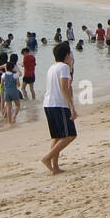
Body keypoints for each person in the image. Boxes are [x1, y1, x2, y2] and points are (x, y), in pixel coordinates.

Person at [41, 42, 78, 174]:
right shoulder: (63, 68)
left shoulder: (53, 67)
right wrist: (71, 107)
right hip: (58, 104)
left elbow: (66, 86)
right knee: (70, 135)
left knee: (57, 136)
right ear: (67, 55)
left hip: (48, 104)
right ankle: (47, 158)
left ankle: (55, 167)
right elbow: (64, 87)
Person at [1, 58, 21, 124]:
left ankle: (9, 122)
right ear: (13, 68)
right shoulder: (15, 75)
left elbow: (1, 85)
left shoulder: (3, 75)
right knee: (18, 105)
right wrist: (16, 69)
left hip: (7, 92)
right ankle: (14, 116)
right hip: (14, 91)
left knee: (8, 107)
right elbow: (18, 84)